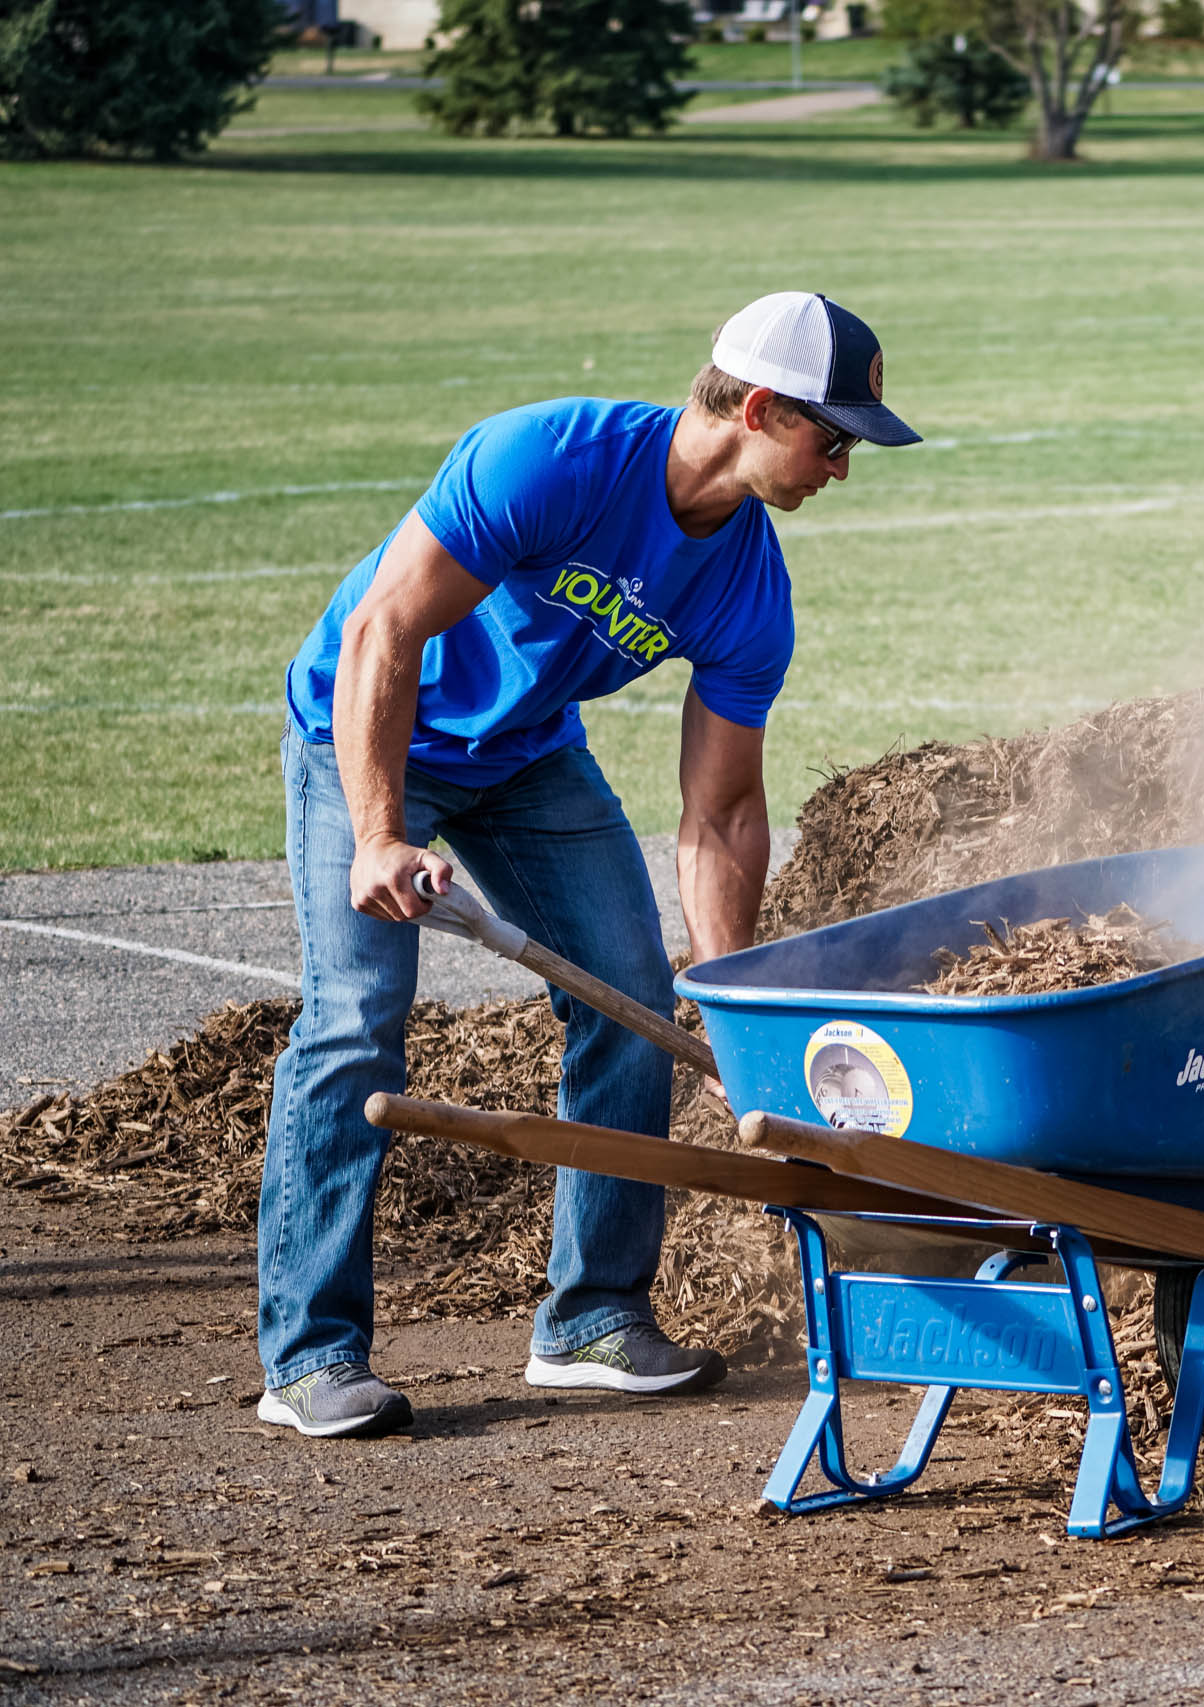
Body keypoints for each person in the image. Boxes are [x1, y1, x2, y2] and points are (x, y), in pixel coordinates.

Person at [257, 292, 921, 1439]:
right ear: (758, 408)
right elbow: (385, 632)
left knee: (628, 995)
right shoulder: (549, 459)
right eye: (832, 438)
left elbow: (718, 818)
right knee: (358, 1015)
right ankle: (310, 1354)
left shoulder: (747, 589)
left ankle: (592, 1318)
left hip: (524, 760)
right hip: (366, 728)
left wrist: (733, 1005)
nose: (840, 469)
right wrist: (377, 833)